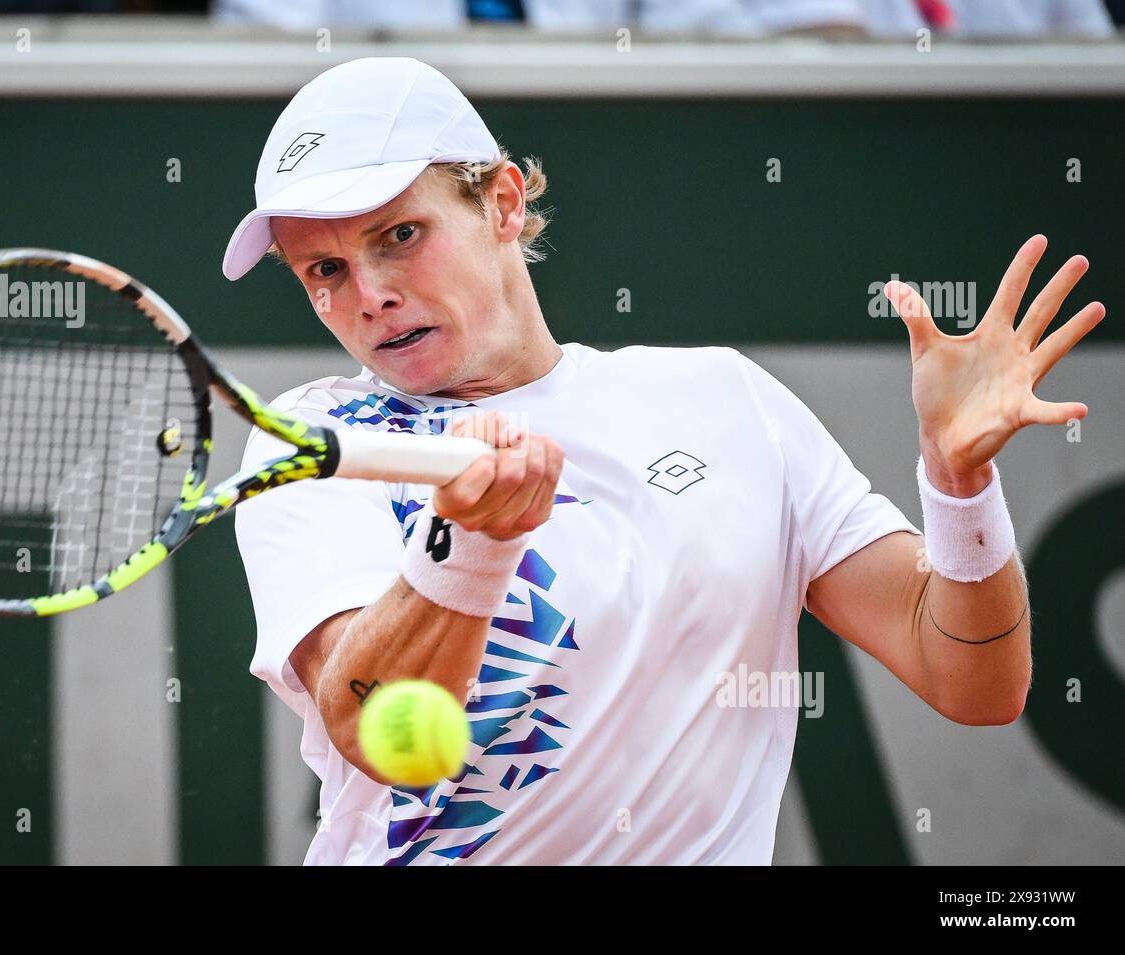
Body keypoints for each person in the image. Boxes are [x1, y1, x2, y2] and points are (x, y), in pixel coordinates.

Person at [224, 56, 1101, 865]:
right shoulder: (317, 441)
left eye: (400, 236)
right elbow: (372, 723)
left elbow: (974, 680)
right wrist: (470, 543)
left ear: (502, 203)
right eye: (325, 271)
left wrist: (958, 487)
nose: (369, 294)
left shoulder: (727, 400)